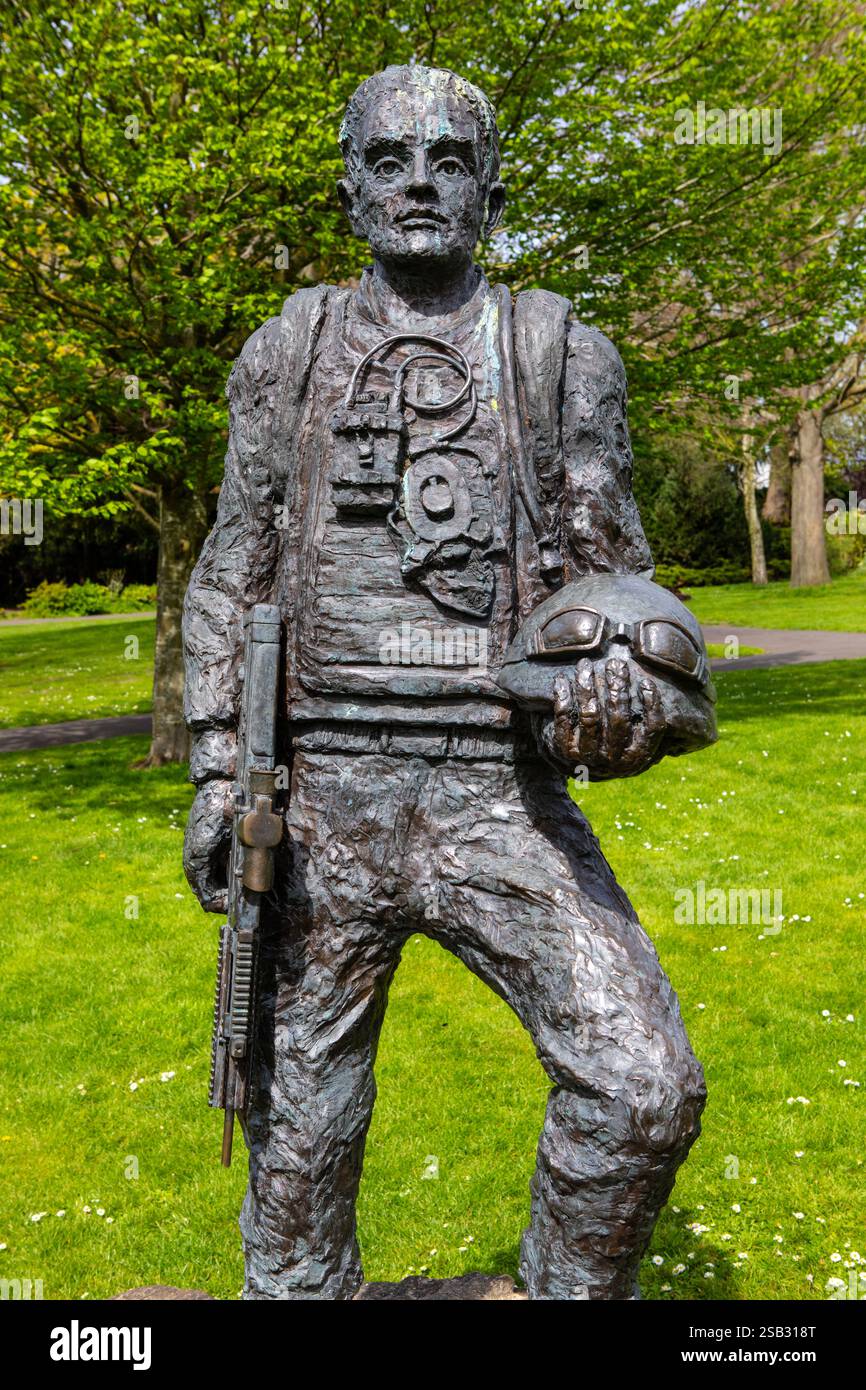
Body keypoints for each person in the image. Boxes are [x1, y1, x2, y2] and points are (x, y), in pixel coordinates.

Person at [183, 64, 715, 1300]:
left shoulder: (558, 355)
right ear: (350, 186)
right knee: (298, 1129)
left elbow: (610, 583)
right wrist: (219, 774)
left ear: (488, 184)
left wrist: (619, 695)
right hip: (318, 795)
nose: (417, 181)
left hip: (498, 797)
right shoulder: (289, 350)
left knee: (641, 1086)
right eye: (387, 159)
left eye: (447, 160)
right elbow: (229, 570)